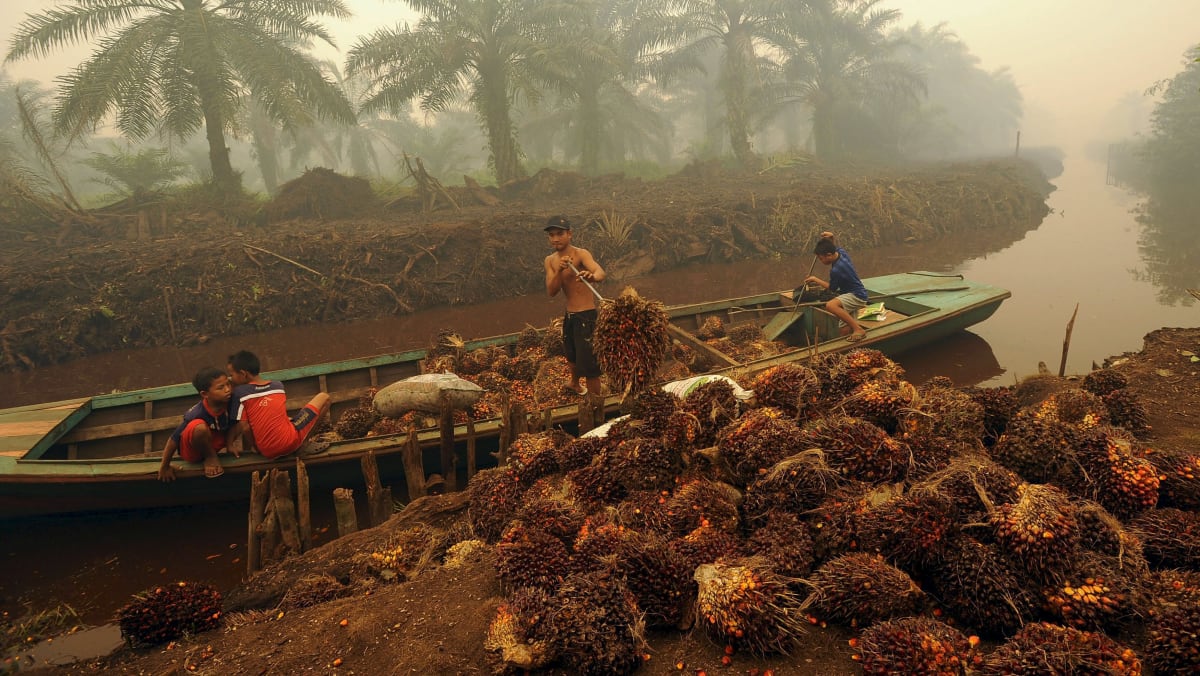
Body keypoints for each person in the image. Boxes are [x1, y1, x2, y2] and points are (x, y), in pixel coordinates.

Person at [543, 214, 607, 396]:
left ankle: (596, 402)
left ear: (569, 234)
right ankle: (574, 383)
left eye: (560, 234)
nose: (555, 238)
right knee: (571, 355)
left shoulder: (580, 254)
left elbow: (600, 273)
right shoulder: (550, 261)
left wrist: (591, 276)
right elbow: (551, 291)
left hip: (586, 315)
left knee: (589, 365)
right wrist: (559, 270)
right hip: (570, 315)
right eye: (552, 235)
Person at [227, 350, 332, 459]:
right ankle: (303, 444)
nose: (230, 379)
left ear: (243, 374)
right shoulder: (278, 386)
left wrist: (255, 447)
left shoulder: (239, 393)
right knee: (325, 397)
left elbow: (246, 428)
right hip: (290, 443)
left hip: (267, 452)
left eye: (231, 375)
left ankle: (298, 442)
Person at [158, 366, 237, 481]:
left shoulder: (231, 400)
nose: (227, 389)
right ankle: (210, 457)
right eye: (221, 388)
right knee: (199, 428)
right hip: (195, 450)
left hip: (215, 440)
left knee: (245, 416)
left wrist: (230, 445)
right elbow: (173, 440)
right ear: (205, 394)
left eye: (228, 384)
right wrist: (164, 466)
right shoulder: (196, 413)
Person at [803, 230, 870, 342]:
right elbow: (834, 247)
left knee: (831, 305)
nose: (821, 261)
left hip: (856, 295)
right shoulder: (841, 253)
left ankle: (859, 330)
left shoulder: (837, 270)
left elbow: (832, 288)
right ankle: (847, 347)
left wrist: (815, 279)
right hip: (852, 294)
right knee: (843, 329)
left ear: (829, 255)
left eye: (821, 258)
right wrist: (831, 238)